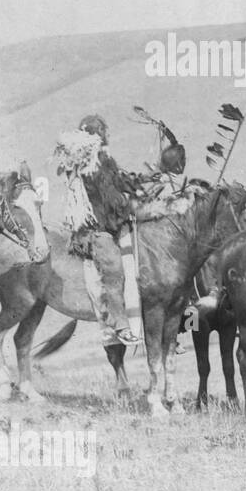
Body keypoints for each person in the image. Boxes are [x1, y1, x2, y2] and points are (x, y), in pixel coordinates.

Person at [52, 115, 141, 345]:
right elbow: (111, 201)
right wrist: (131, 202)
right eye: (105, 133)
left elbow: (118, 186)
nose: (108, 137)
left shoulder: (100, 162)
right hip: (96, 231)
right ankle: (120, 326)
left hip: (105, 226)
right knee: (114, 269)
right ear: (98, 136)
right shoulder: (94, 165)